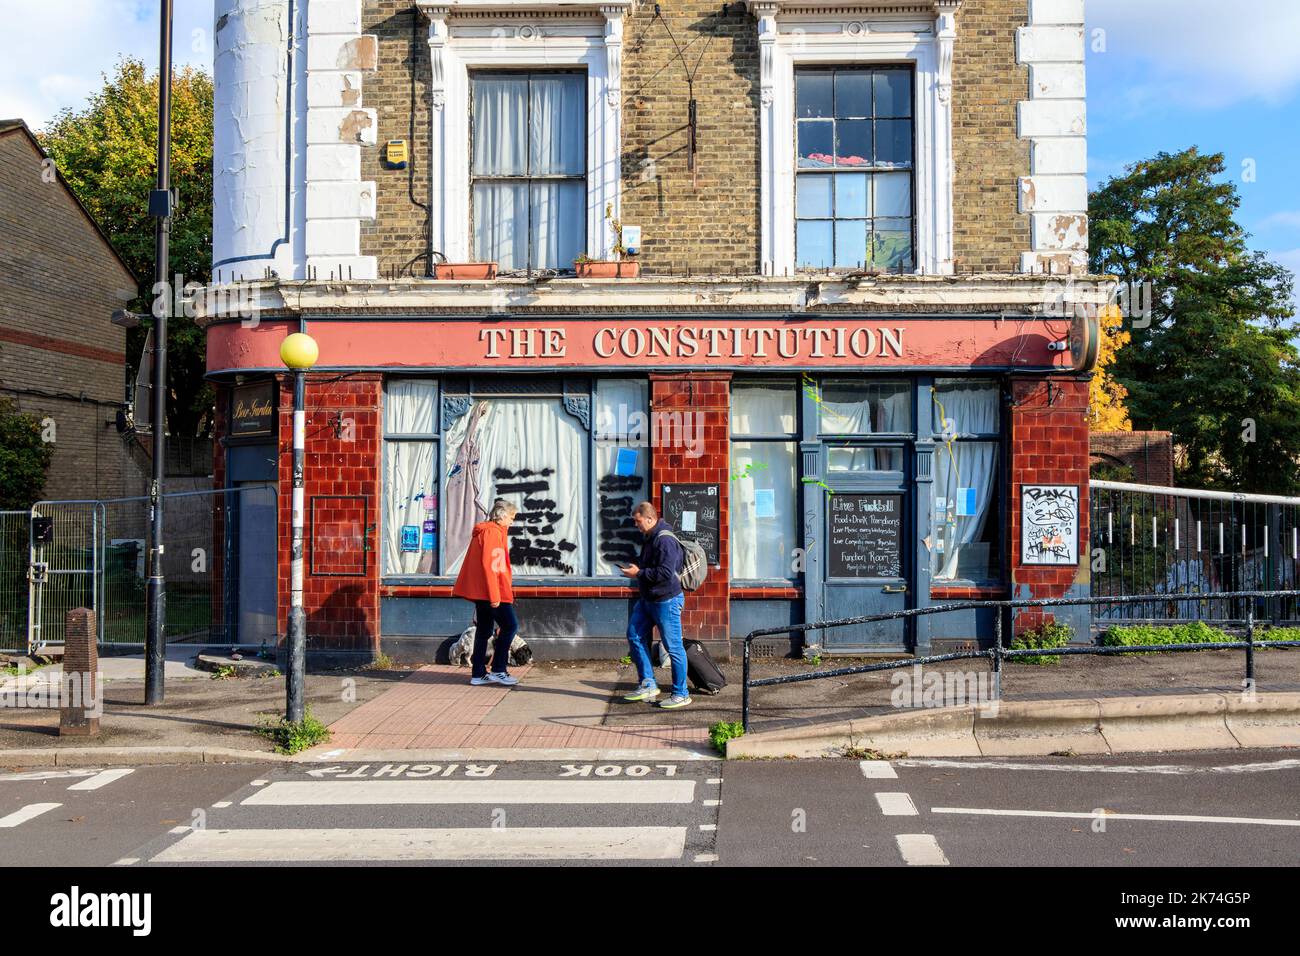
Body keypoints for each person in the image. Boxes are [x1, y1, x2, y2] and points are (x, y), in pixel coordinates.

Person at [620, 501, 691, 709]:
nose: (636, 525)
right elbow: (652, 566)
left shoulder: (664, 540)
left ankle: (681, 693)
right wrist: (637, 566)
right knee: (634, 635)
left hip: (666, 600)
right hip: (649, 600)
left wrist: (638, 573)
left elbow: (666, 573)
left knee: (673, 647)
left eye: (638, 521)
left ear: (650, 518)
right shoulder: (650, 538)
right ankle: (648, 683)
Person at [451, 498, 520, 686]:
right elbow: (491, 567)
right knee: (510, 626)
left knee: (484, 631)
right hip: (493, 592)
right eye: (512, 517)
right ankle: (498, 669)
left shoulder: (487, 531)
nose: (512, 522)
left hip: (483, 592)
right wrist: (495, 596)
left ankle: (478, 673)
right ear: (502, 516)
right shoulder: (493, 533)